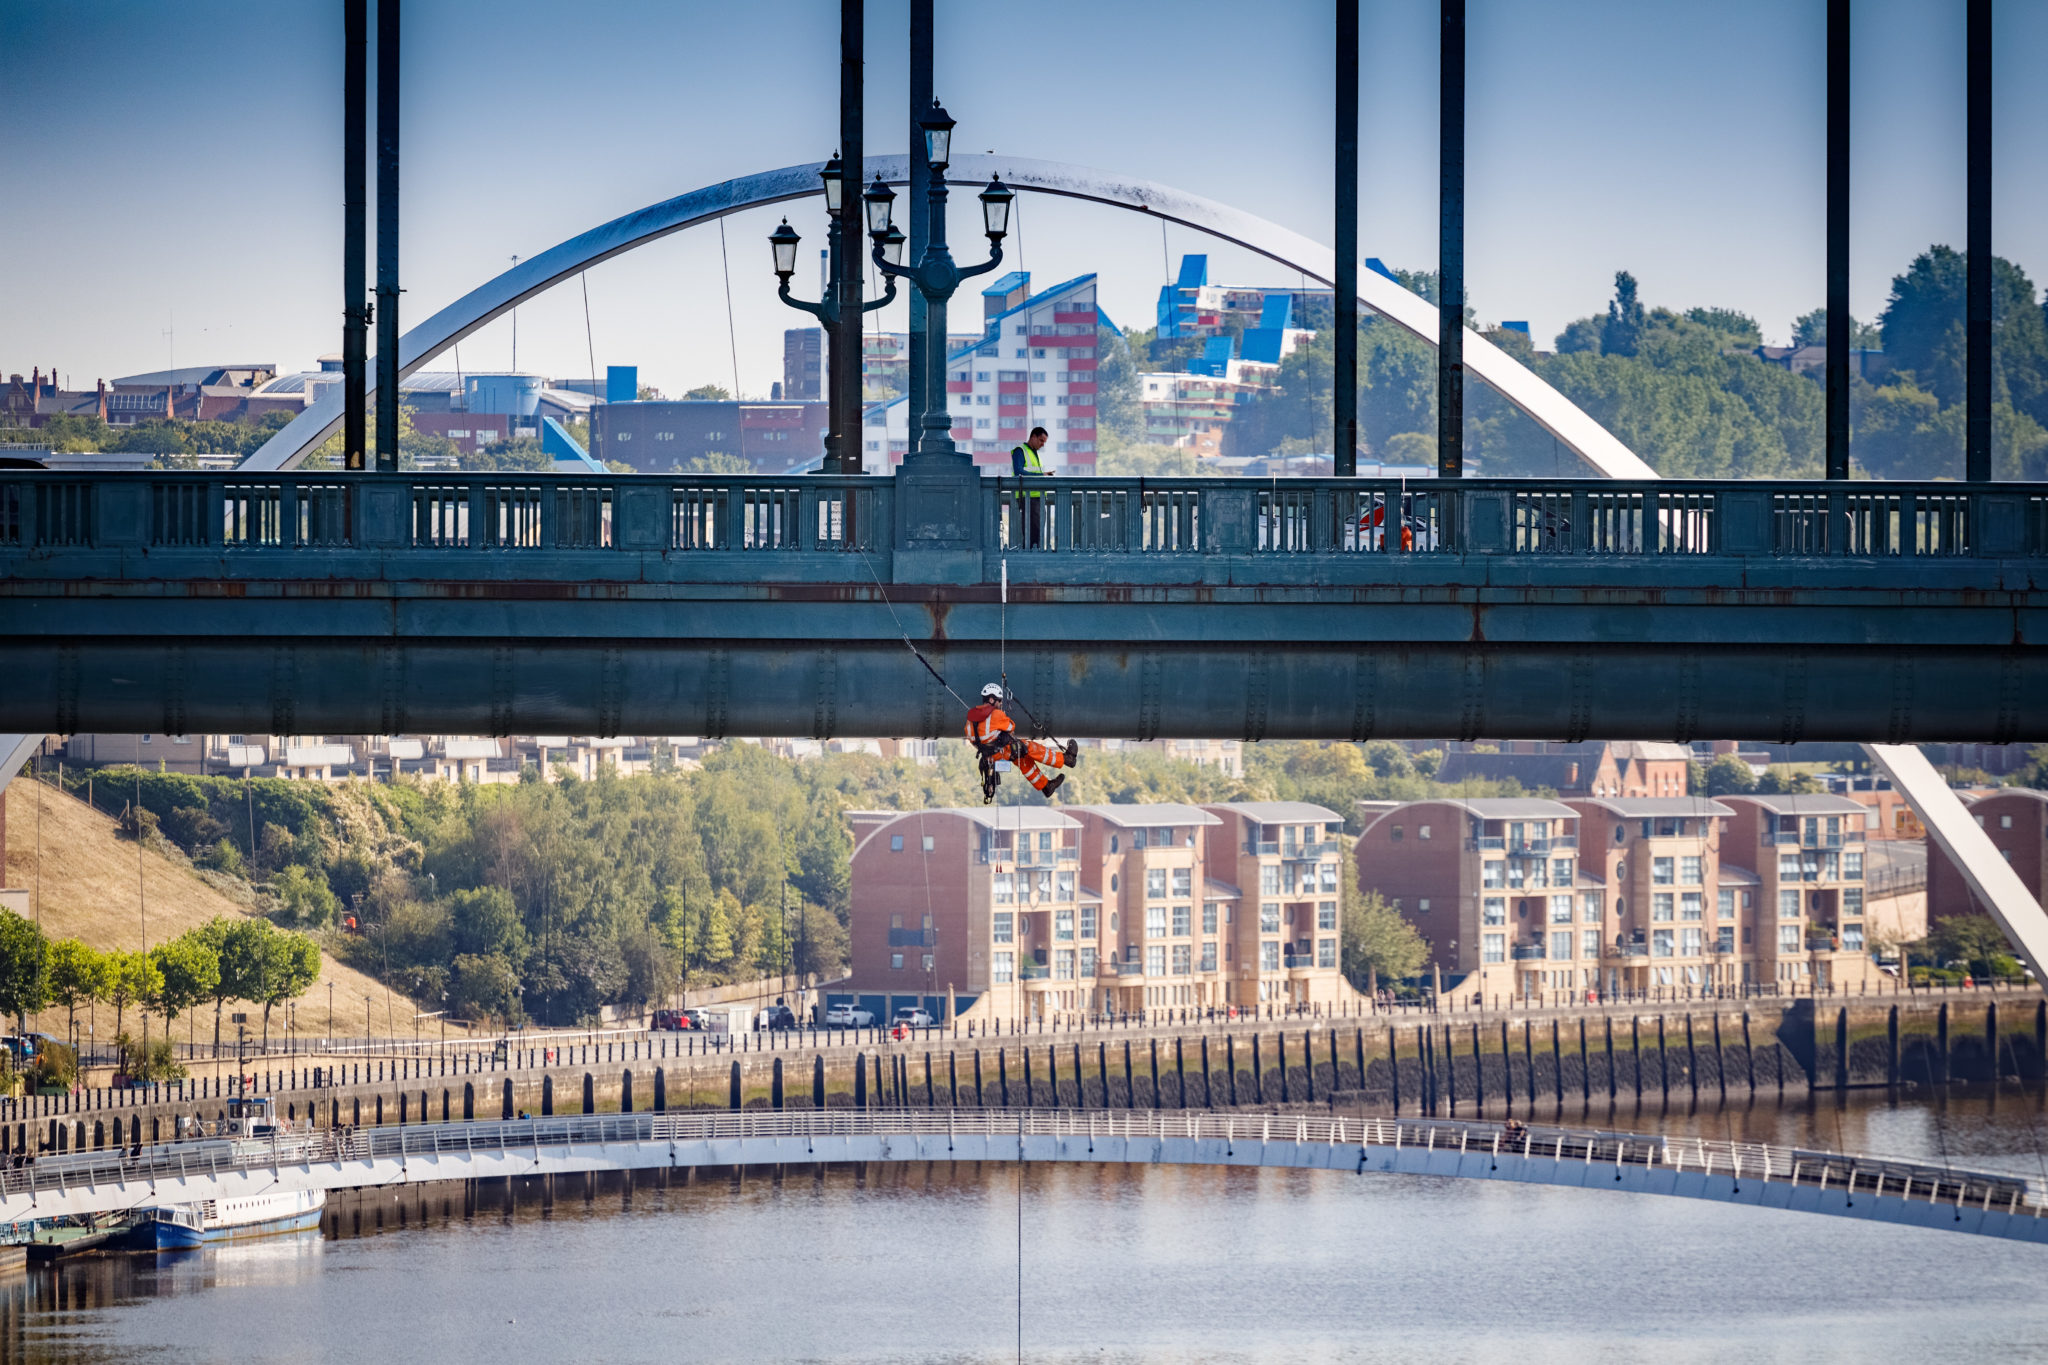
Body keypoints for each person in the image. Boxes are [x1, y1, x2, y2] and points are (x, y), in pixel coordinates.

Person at [965, 682, 1077, 800]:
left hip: (988, 756)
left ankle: (1046, 786)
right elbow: (1011, 727)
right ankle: (1066, 759)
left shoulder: (970, 718)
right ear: (992, 700)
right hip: (1000, 752)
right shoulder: (996, 714)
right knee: (1028, 747)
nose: (1001, 703)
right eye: (999, 701)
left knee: (1022, 758)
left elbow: (973, 740)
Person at [1010, 426, 1051, 547]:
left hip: (1038, 498)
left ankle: (1033, 556)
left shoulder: (1035, 455)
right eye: (1041, 440)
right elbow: (1019, 472)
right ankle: (1030, 558)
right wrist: (1041, 475)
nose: (1043, 444)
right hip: (1028, 498)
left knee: (1036, 533)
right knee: (1032, 533)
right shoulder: (1020, 451)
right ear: (1033, 437)